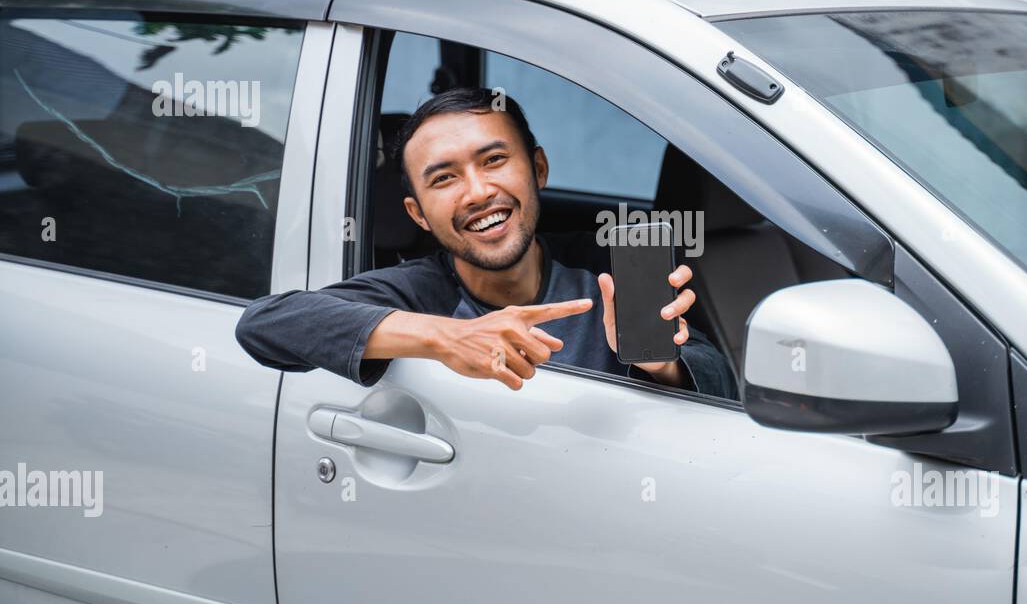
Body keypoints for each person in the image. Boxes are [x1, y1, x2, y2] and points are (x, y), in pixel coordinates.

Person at [235, 87, 737, 399]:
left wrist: (663, 365)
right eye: (444, 178)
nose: (478, 193)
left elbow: (720, 382)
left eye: (494, 160)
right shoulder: (418, 292)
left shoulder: (607, 260)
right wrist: (445, 337)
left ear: (538, 169)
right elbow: (266, 324)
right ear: (419, 215)